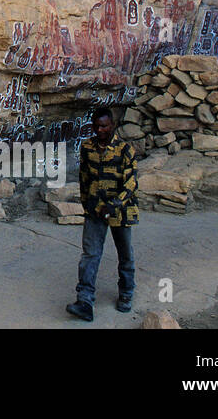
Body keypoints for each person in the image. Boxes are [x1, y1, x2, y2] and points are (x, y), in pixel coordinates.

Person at [66, 106, 137, 322]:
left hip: (120, 211)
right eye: (96, 126)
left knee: (125, 254)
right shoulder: (87, 147)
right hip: (95, 210)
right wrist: (87, 205)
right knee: (90, 255)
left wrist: (114, 204)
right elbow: (84, 178)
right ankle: (85, 300)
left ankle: (126, 293)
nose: (100, 130)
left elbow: (131, 183)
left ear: (112, 125)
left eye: (104, 126)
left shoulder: (125, 150)